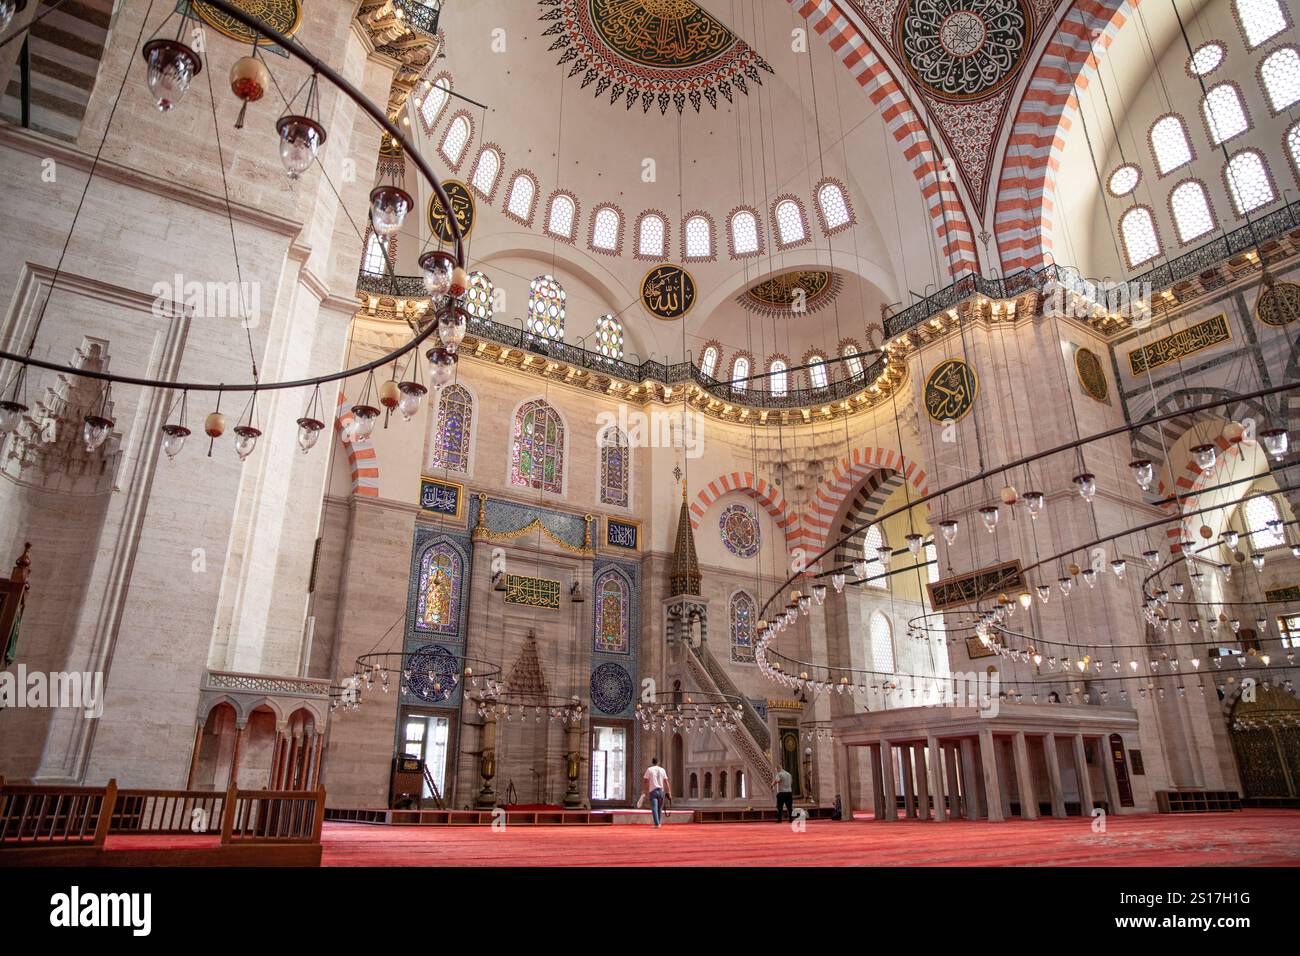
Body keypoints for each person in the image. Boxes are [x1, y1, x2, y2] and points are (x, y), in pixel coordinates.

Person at [642, 757, 671, 827]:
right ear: (658, 762)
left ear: (652, 762)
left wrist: (644, 790)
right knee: (659, 808)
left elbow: (645, 781)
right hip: (661, 791)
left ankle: (657, 823)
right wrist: (669, 792)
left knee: (654, 808)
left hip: (653, 791)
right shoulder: (662, 770)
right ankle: (658, 823)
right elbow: (666, 782)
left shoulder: (649, 769)